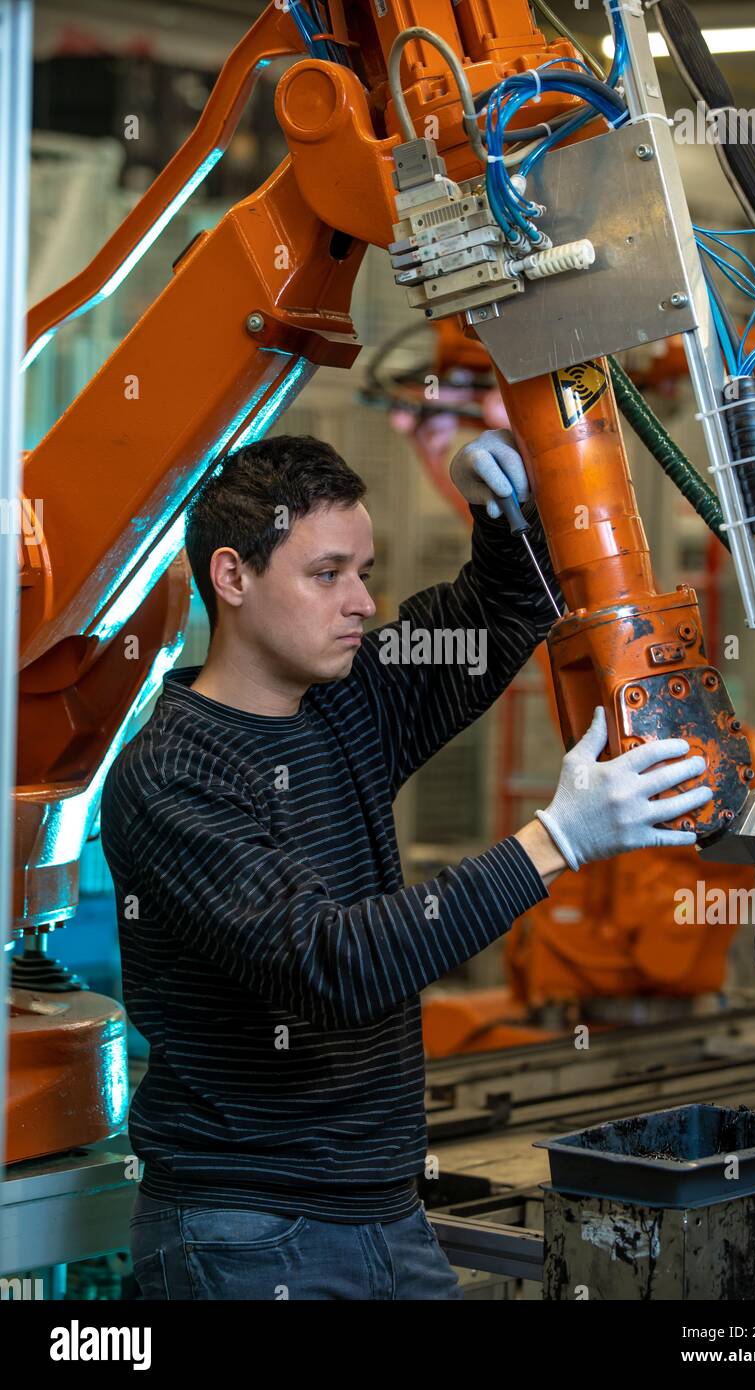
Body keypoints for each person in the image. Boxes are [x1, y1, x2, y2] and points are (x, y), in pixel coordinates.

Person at [101, 429, 711, 1300]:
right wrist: (557, 842)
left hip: (386, 1215)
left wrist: (498, 512)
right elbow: (332, 966)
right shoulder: (171, 774)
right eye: (328, 574)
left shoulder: (348, 702)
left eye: (365, 570)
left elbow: (505, 611)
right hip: (247, 1238)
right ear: (231, 577)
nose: (360, 601)